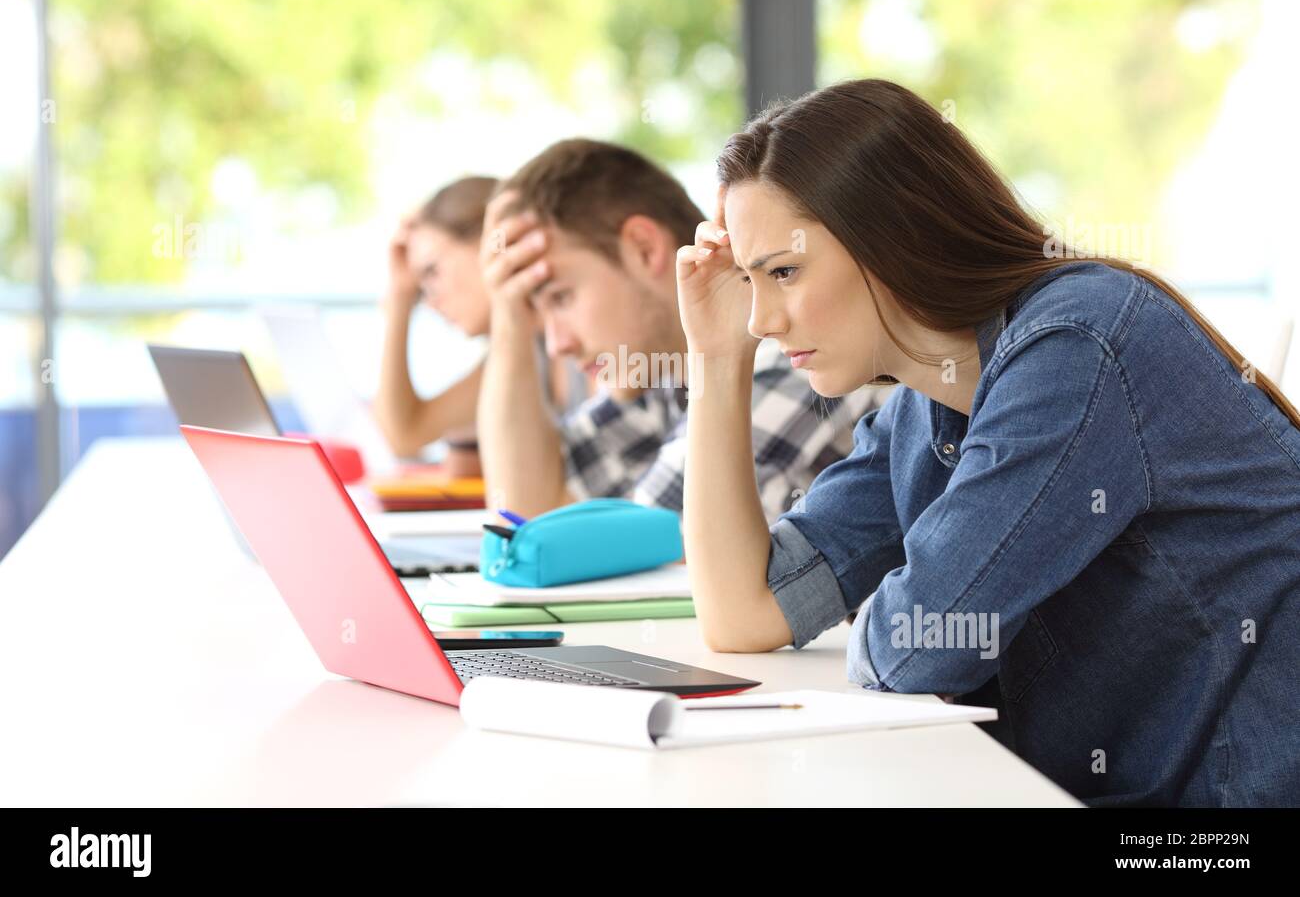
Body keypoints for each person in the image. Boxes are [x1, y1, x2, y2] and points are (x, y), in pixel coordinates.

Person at [676, 78, 1300, 806]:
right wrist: (715, 361)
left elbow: (918, 643)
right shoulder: (925, 406)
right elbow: (742, 613)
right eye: (750, 280)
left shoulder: (1078, 345)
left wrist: (897, 604)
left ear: (895, 237)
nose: (760, 319)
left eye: (782, 272)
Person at [475, 138, 885, 520]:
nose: (557, 345)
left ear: (644, 248)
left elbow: (629, 543)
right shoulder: (660, 377)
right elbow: (523, 509)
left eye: (560, 298)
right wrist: (507, 320)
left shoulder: (785, 354)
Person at [374, 177, 585, 458]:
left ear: (490, 239)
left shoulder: (587, 332)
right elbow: (404, 435)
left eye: (431, 272)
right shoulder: (523, 352)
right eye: (419, 290)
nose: (431, 301)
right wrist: (400, 298)